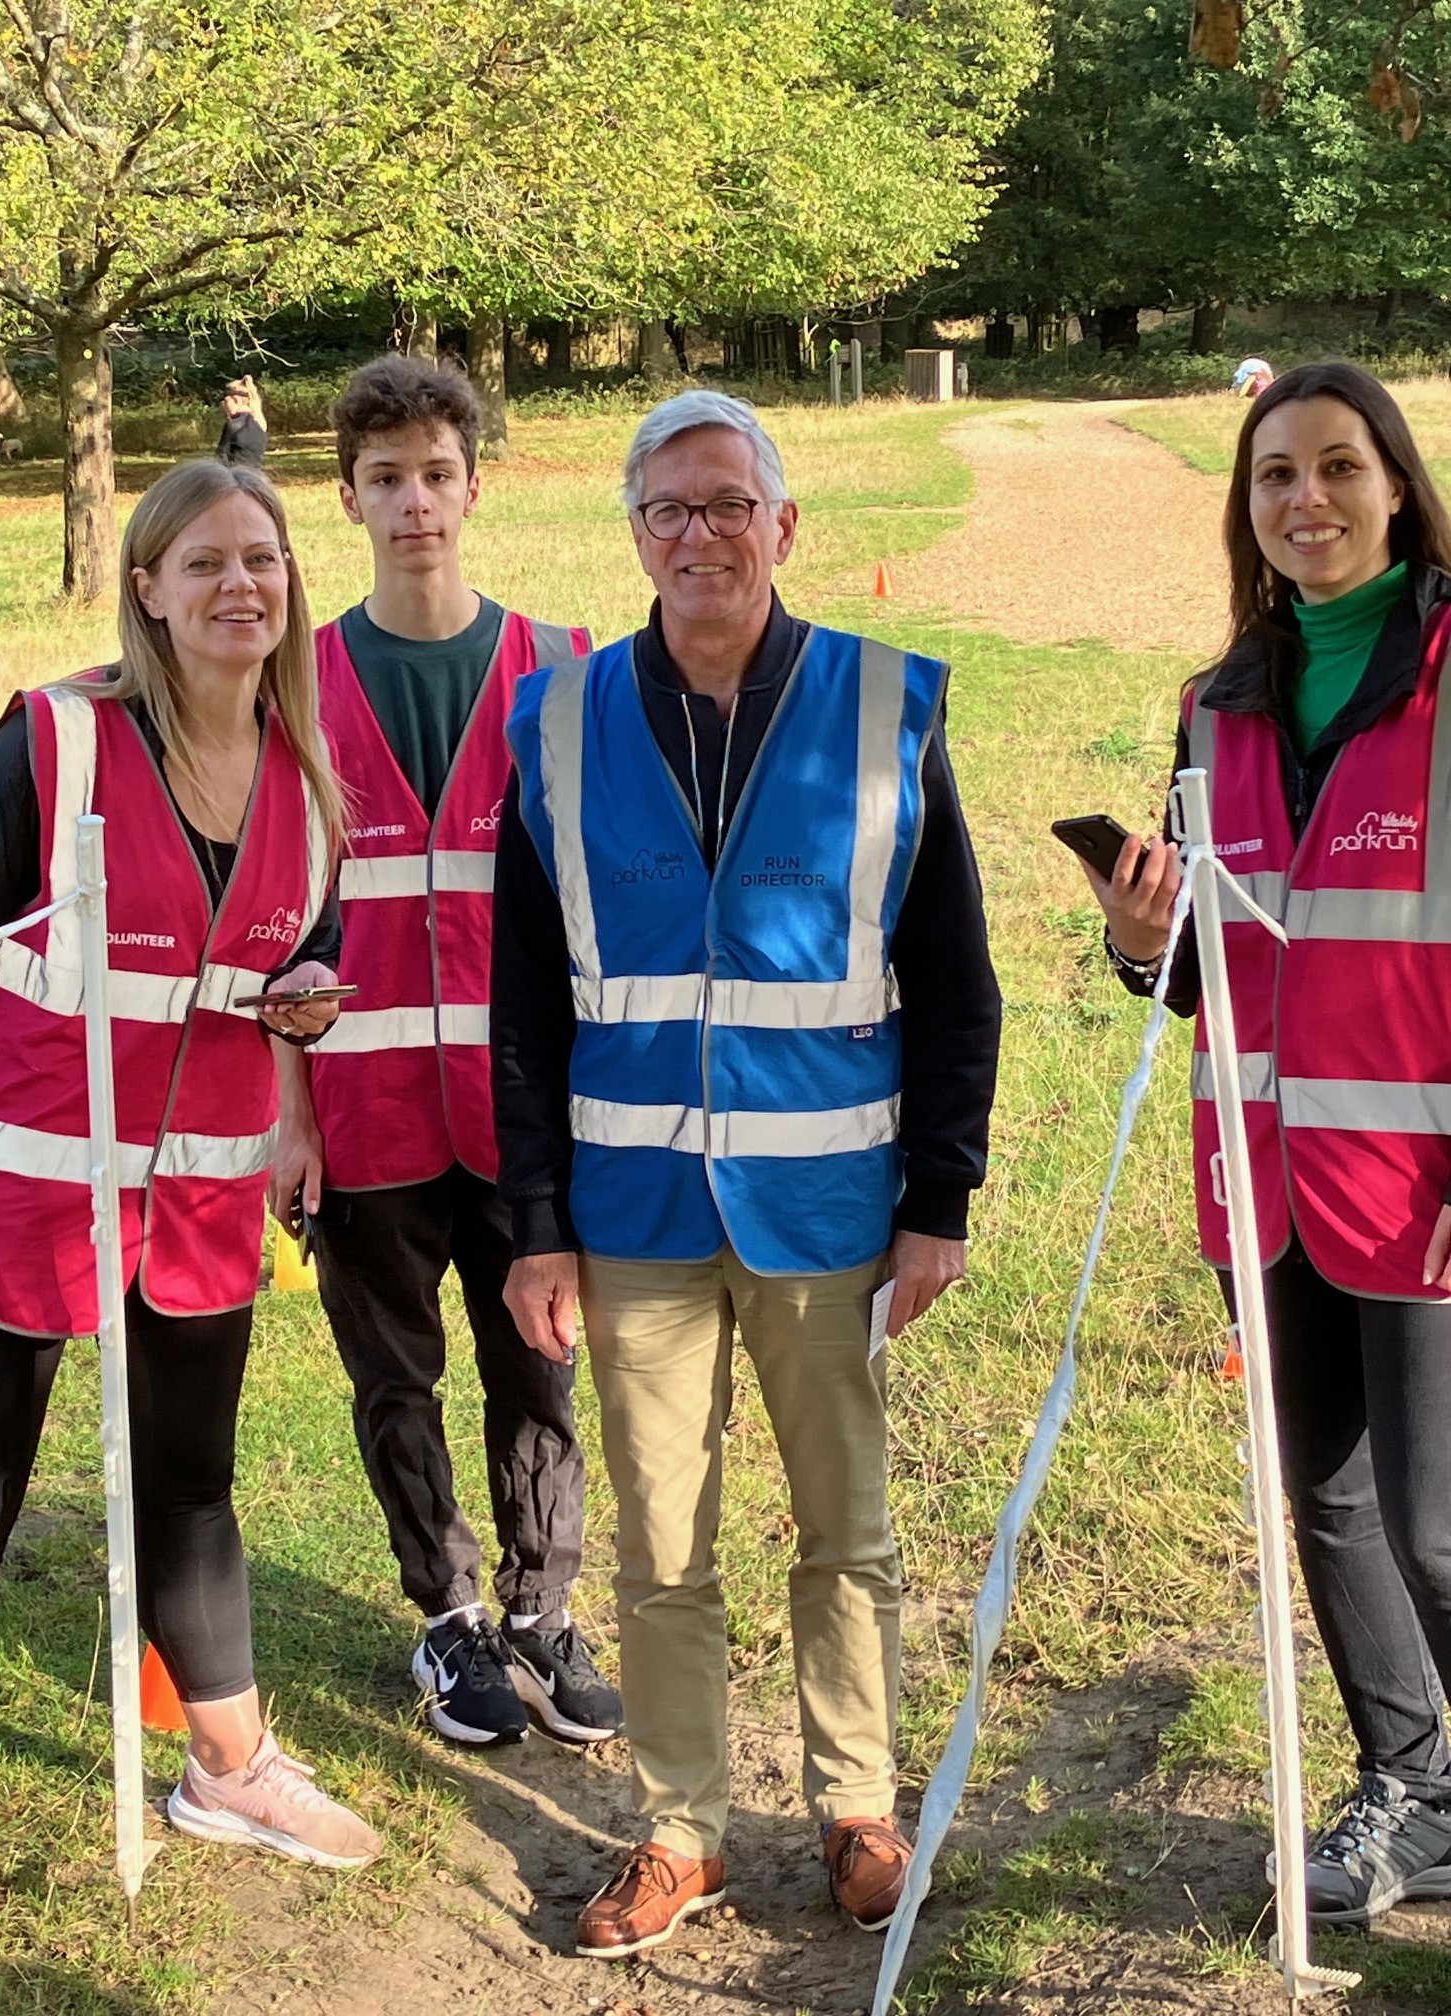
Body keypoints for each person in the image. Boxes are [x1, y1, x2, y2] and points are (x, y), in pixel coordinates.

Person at [492, 389, 1001, 1956]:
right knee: (660, 1545)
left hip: (830, 1212)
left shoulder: (883, 708)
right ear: (634, 534)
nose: (699, 535)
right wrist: (533, 1227)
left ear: (786, 528)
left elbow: (957, 980)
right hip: (633, 1214)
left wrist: (939, 1201)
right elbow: (524, 997)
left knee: (845, 1527)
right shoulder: (559, 723)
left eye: (728, 505)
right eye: (669, 510)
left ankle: (855, 1802)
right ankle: (679, 1826)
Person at [0, 459, 381, 1981]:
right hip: (12, 1182)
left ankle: (227, 1767)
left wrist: (308, 999)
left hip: (194, 1191)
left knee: (191, 1486)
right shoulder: (55, 744)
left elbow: (299, 947)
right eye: (203, 564)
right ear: (146, 587)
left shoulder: (309, 779)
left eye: (261, 560)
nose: (238, 587)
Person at [1080, 360, 1451, 1927]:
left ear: (1397, 483)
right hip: (1273, 1187)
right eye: (1273, 476)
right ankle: (1419, 1793)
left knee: (1439, 1521)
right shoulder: (1213, 701)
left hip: (1426, 1189)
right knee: (1335, 1503)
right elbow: (1204, 983)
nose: (1306, 500)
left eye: (1338, 467)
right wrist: (1137, 938)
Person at [268, 355, 622, 1749]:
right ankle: (448, 1618)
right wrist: (284, 1119)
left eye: (435, 475)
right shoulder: (296, 682)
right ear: (346, 500)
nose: (414, 502)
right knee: (393, 1379)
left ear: (476, 486)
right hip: (358, 1115)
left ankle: (543, 1611)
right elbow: (270, 927)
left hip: (525, 1111)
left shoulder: (566, 667)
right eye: (383, 480)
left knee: (538, 1365)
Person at [217, 376, 269, 467]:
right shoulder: (260, 423)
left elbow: (221, 457)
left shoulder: (234, 424)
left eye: (226, 401)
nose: (224, 405)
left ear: (236, 400)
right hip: (255, 476)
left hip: (235, 476)